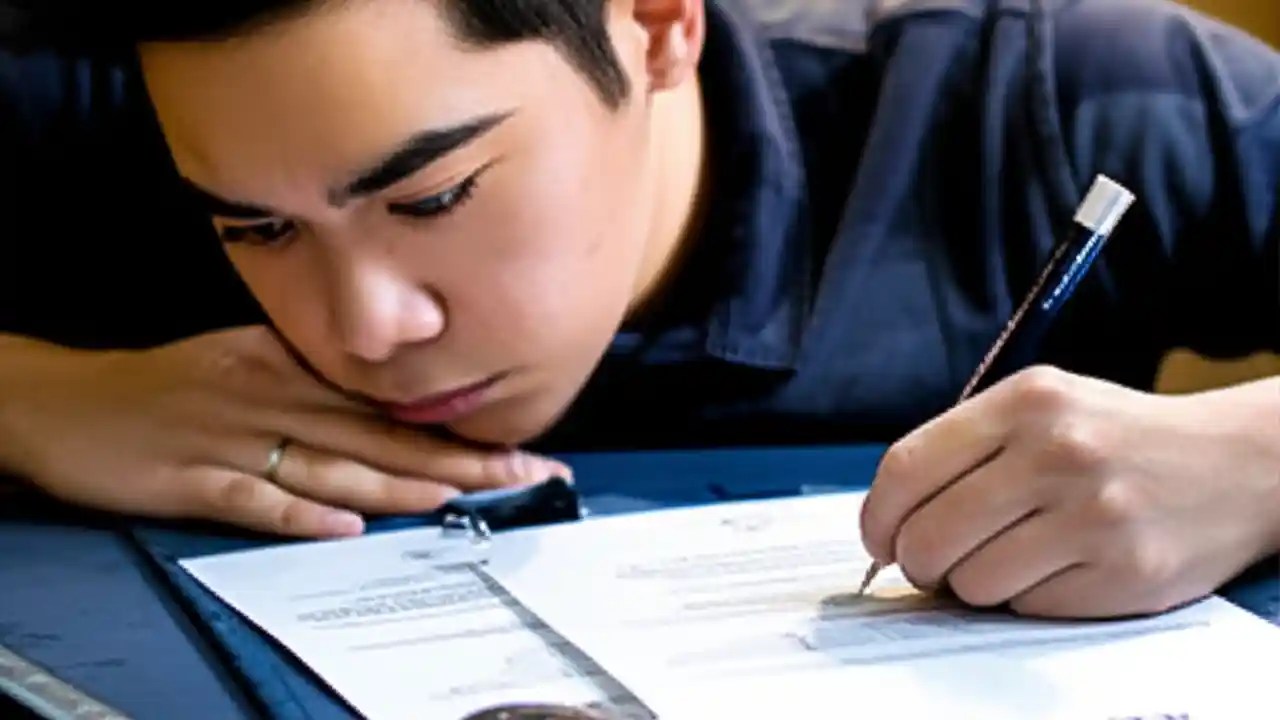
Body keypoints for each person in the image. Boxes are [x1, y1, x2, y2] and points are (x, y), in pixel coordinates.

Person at [0, 0, 1275, 621]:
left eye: (432, 197)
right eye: (254, 228)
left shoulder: (1061, 103)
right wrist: (33, 396)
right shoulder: (102, 104)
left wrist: (1255, 459)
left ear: (655, 23)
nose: (360, 327)